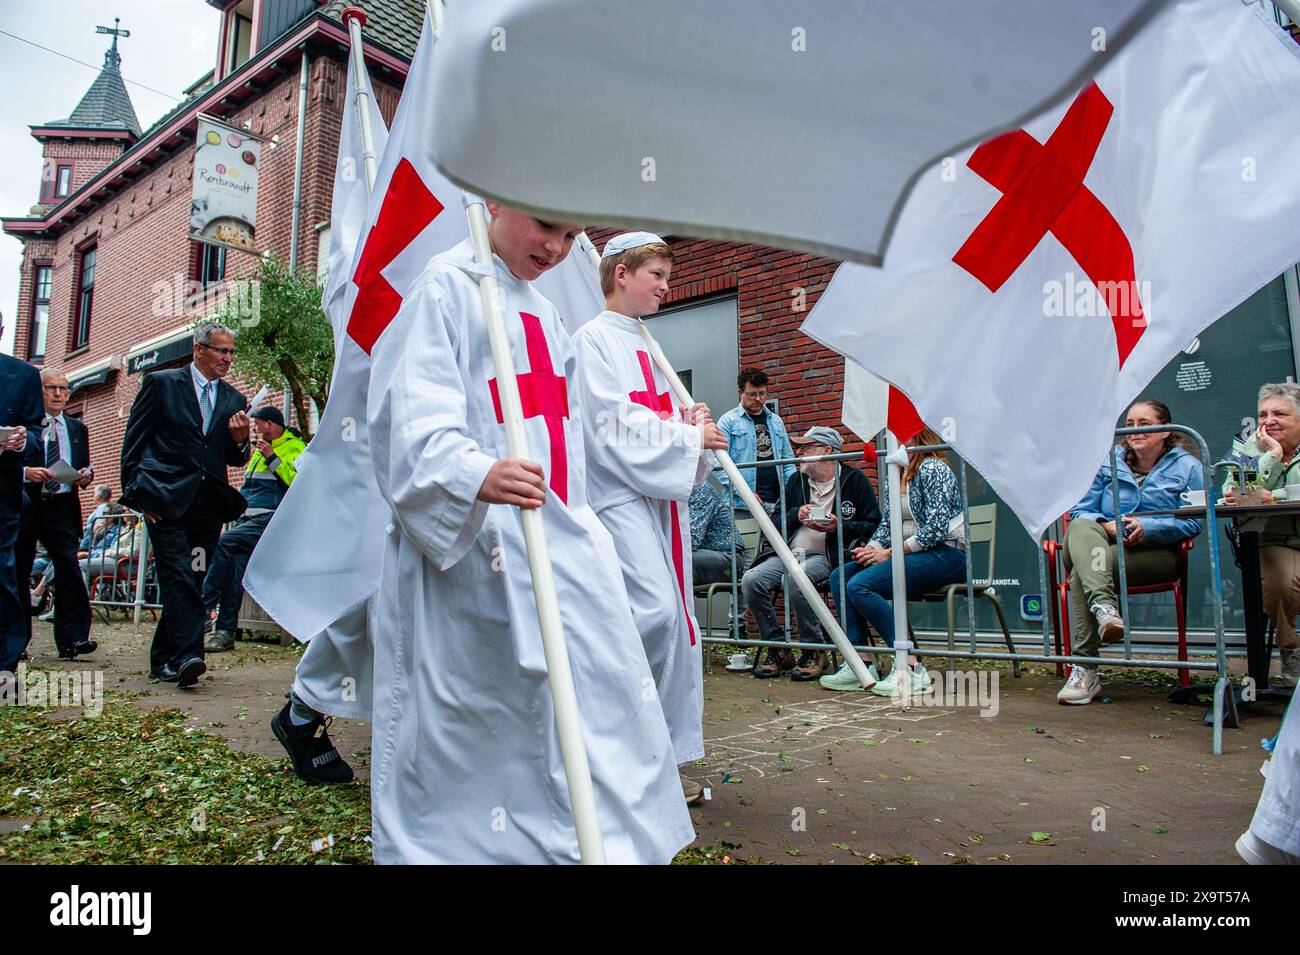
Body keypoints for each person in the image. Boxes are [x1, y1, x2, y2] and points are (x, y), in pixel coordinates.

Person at [353, 207, 693, 862]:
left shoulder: (545, 311)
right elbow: (408, 411)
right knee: (485, 708)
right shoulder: (447, 287)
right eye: (545, 225)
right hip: (476, 543)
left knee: (591, 686)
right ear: (494, 204)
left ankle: (591, 833)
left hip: (557, 532)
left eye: (570, 236)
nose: (559, 247)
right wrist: (472, 470)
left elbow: (566, 432)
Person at [572, 231, 725, 806]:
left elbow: (655, 418)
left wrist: (691, 420)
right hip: (619, 502)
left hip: (659, 505)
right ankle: (605, 745)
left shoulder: (646, 341)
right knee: (653, 616)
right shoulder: (591, 341)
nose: (666, 287)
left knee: (677, 627)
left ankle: (654, 759)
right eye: (656, 275)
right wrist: (687, 437)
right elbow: (609, 425)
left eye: (666, 275)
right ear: (621, 275)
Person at [120, 322, 250, 690]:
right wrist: (137, 496)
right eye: (220, 351)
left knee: (193, 577)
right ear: (198, 349)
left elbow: (234, 457)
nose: (227, 358)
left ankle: (162, 658)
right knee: (177, 575)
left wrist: (240, 440)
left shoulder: (233, 400)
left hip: (206, 508)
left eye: (230, 352)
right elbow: (135, 444)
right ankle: (188, 656)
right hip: (165, 501)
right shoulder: (162, 384)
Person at [1056, 399, 1203, 704]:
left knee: (1084, 574)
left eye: (1144, 424)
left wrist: (1149, 527)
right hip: (1099, 544)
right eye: (1130, 424)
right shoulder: (1107, 461)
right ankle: (1105, 610)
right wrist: (1106, 526)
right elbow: (1082, 510)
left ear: (1165, 430)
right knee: (1082, 527)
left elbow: (1194, 521)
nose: (1134, 430)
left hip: (1153, 554)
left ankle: (1086, 668)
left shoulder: (1188, 466)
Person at [822, 427, 967, 696]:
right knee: (840, 577)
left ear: (917, 437)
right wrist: (872, 548)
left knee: (860, 585)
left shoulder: (933, 467)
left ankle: (910, 667)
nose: (892, 441)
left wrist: (889, 554)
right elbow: (888, 523)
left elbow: (935, 530)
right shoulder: (895, 471)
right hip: (911, 554)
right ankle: (861, 664)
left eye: (899, 435)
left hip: (948, 554)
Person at [744, 425, 881, 682]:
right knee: (751, 580)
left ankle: (814, 649)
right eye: (798, 447)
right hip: (787, 552)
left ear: (827, 451)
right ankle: (777, 648)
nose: (798, 452)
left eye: (805, 447)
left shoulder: (854, 481)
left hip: (826, 556)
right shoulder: (796, 481)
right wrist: (795, 514)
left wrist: (838, 525)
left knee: (796, 579)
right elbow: (773, 521)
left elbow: (873, 524)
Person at [202, 406, 307, 652]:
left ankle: (203, 609)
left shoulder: (295, 448)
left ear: (270, 424)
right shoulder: (258, 451)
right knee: (234, 570)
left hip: (272, 521)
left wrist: (273, 458)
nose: (255, 429)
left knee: (223, 542)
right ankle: (226, 633)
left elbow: (298, 483)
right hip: (247, 522)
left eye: (257, 424)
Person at [1221, 382, 1300, 687]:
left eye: (1280, 413)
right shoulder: (1252, 449)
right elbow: (1237, 494)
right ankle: (1290, 648)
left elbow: (1262, 496)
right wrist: (1272, 455)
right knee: (1276, 580)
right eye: (1263, 413)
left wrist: (1274, 497)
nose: (1269, 420)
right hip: (1272, 542)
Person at [15, 369, 96, 660]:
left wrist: (85, 475)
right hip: (28, 502)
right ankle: (16, 641)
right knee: (19, 569)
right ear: (39, 392)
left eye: (64, 389)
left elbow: (84, 464)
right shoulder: (25, 425)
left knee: (69, 569)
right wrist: (25, 473)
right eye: (51, 388)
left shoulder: (76, 428)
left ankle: (73, 639)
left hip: (62, 506)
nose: (59, 394)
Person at [0, 327, 44, 677]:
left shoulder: (24, 376)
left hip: (3, 493)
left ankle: (6, 661)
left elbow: (36, 437)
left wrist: (20, 441)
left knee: (5, 573)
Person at [717, 368, 795, 514]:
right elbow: (718, 463)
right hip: (742, 505)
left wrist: (790, 493)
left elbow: (787, 461)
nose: (758, 399)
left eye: (762, 393)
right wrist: (744, 492)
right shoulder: (728, 421)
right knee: (744, 538)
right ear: (740, 393)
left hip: (778, 504)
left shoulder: (776, 421)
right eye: (752, 394)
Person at [689, 480, 748, 600]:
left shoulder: (700, 489)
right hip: (704, 555)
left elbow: (692, 539)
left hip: (729, 559)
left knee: (676, 560)